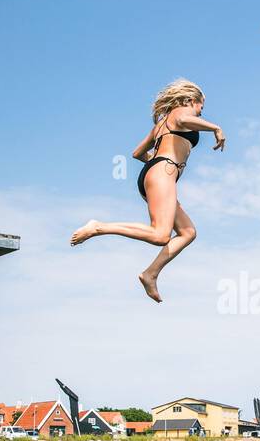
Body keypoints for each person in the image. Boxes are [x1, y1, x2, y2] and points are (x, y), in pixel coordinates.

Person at [70, 80, 225, 302]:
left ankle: (150, 274)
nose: (201, 112)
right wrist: (215, 128)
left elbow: (137, 153)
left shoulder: (161, 124)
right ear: (192, 100)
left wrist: (155, 161)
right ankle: (98, 227)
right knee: (160, 235)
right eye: (201, 107)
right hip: (163, 173)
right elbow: (183, 119)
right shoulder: (181, 112)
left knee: (188, 232)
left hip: (156, 173)